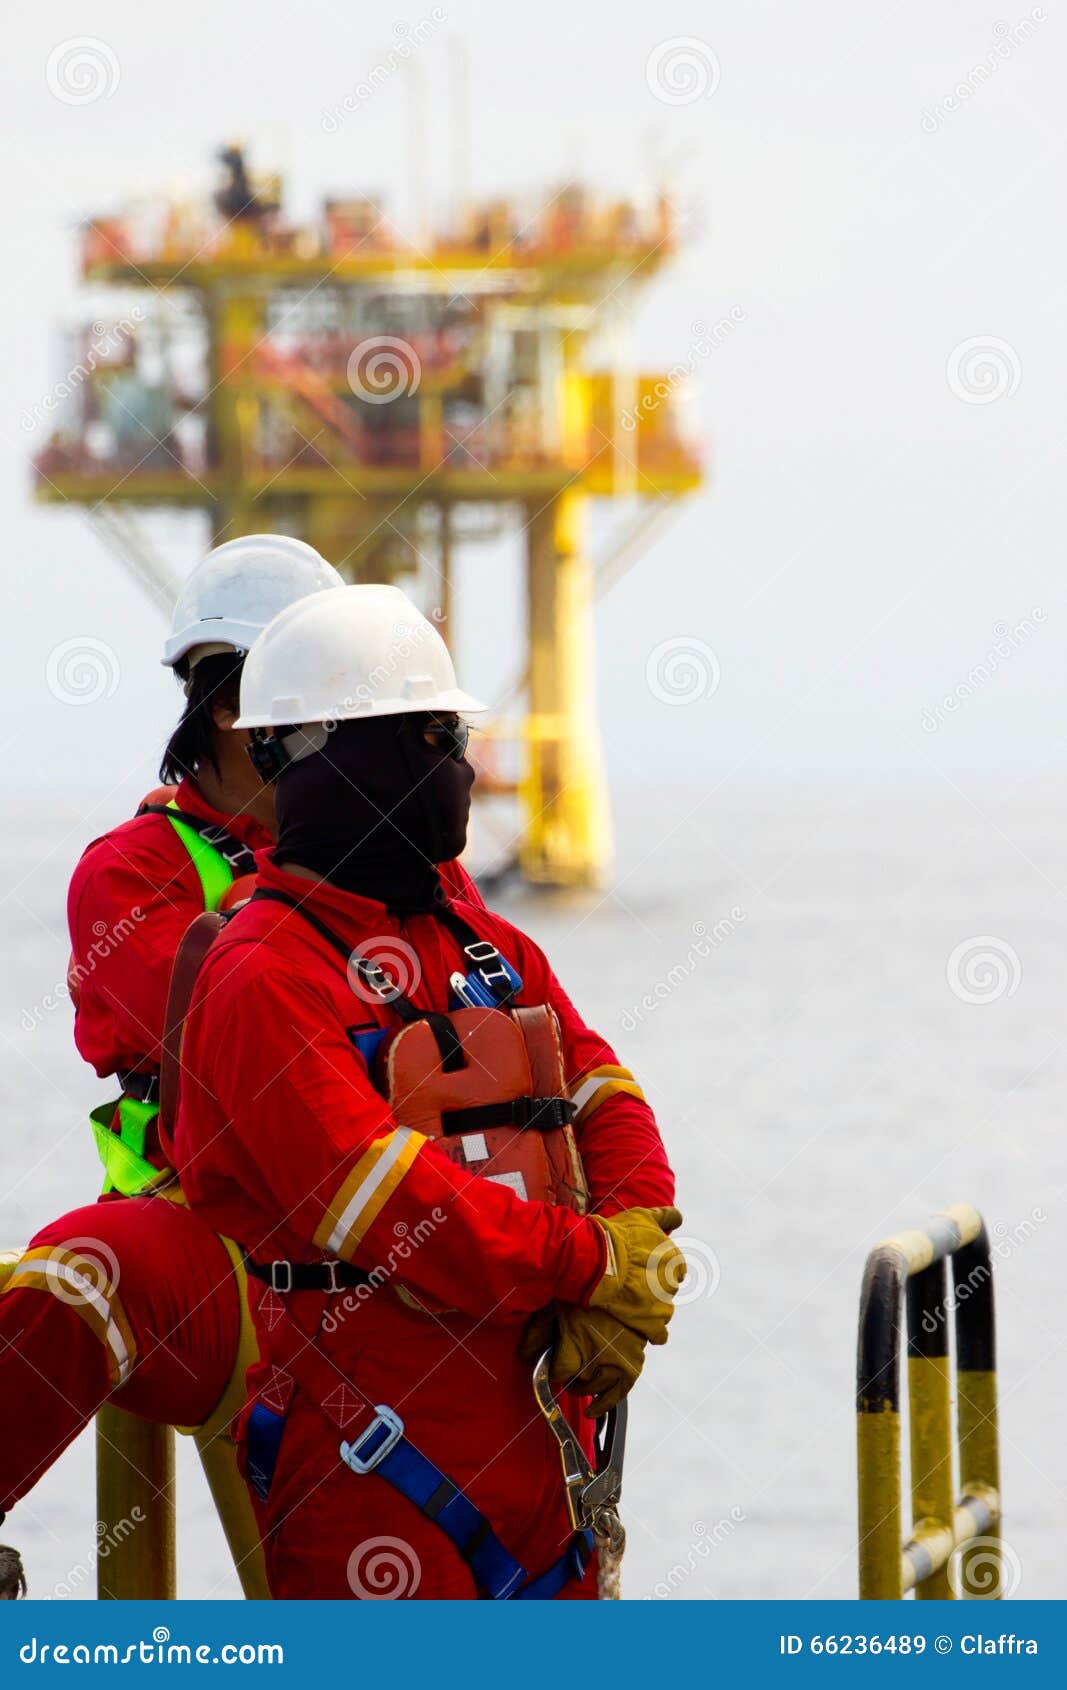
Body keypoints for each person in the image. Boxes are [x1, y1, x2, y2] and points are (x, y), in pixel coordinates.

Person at [172, 583, 684, 1600]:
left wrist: (637, 1238)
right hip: (370, 1454)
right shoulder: (262, 973)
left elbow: (603, 1093)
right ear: (348, 753)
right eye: (438, 734)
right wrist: (589, 1264)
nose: (459, 764)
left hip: (538, 1432)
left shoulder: (483, 945)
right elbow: (374, 1195)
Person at [0, 538, 483, 1593]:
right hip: (228, 1255)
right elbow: (241, 1046)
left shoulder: (418, 864)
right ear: (237, 710)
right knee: (76, 1271)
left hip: (410, 1243)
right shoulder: (134, 874)